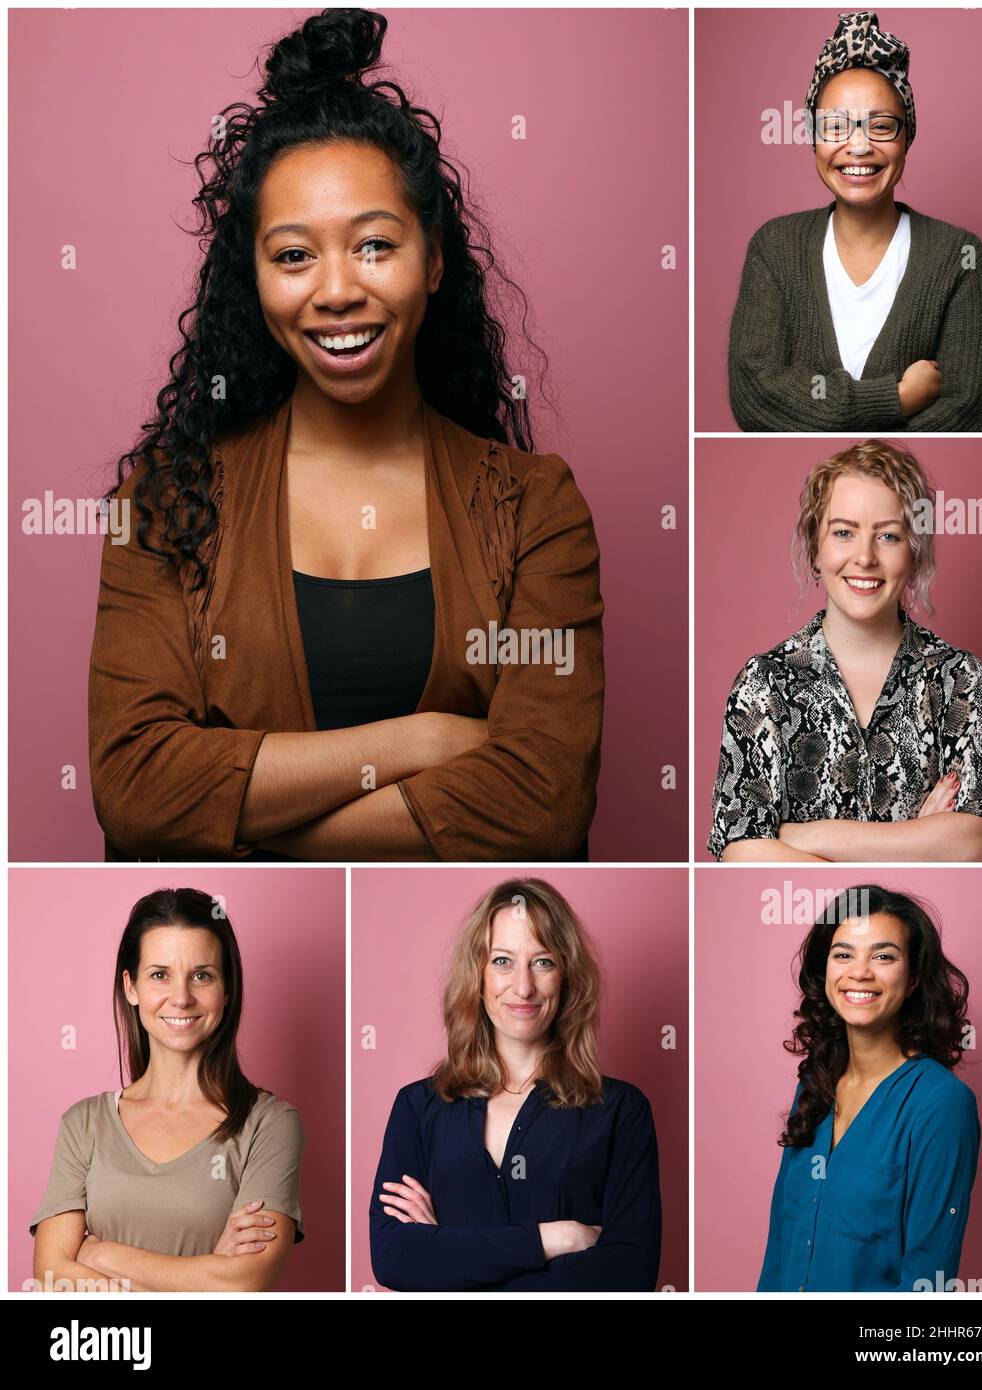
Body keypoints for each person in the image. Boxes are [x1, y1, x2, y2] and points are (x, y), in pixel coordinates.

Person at [88, 8, 603, 863]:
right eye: (293, 256)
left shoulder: (536, 507)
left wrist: (249, 828)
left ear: (433, 260)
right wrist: (425, 741)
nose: (335, 291)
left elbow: (542, 801)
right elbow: (136, 787)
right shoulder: (166, 501)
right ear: (251, 278)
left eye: (373, 245)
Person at [708, 438, 982, 862]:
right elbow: (742, 853)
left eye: (888, 535)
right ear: (816, 546)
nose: (864, 557)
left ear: (913, 552)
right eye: (844, 532)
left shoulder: (958, 677)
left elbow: (974, 840)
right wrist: (916, 840)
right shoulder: (764, 683)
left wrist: (805, 838)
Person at [368, 878, 662, 1291]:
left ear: (566, 976)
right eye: (502, 961)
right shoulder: (417, 1107)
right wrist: (551, 1238)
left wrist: (448, 1252)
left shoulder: (621, 1110)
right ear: (478, 974)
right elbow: (394, 1258)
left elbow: (630, 1272)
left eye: (543, 962)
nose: (523, 987)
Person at [728, 10, 982, 432]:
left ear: (907, 136)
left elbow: (971, 414)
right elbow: (756, 398)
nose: (858, 146)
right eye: (836, 126)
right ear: (813, 138)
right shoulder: (774, 247)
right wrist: (896, 397)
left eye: (881, 126)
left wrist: (821, 414)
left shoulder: (960, 257)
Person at [29, 889, 304, 1292]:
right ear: (131, 987)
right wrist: (206, 1272)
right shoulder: (83, 1123)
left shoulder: (271, 1124)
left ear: (226, 990)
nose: (181, 997)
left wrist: (101, 1255)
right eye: (160, 974)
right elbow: (52, 1277)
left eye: (202, 975)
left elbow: (242, 1284)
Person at [757, 885, 981, 1292]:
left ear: (913, 978)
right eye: (843, 954)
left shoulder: (942, 1103)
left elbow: (927, 1280)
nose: (859, 972)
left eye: (883, 956)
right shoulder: (815, 1083)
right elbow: (781, 1243)